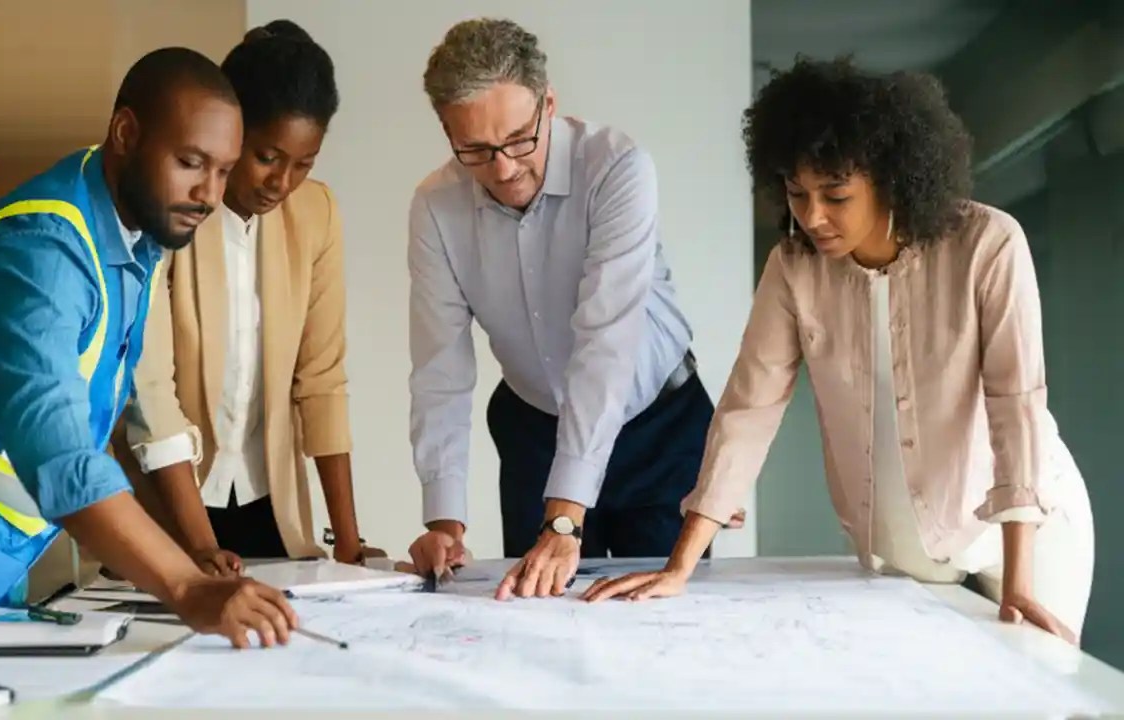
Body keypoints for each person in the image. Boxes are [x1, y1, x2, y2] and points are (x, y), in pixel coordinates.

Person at [583, 57, 1095, 645]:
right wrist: (680, 566)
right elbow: (750, 407)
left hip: (1028, 537)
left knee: (1037, 694)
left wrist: (1020, 583)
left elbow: (1016, 404)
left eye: (836, 194)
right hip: (904, 544)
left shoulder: (988, 243)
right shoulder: (794, 266)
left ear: (891, 177)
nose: (813, 216)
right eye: (797, 193)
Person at [0, 47, 302, 659]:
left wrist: (188, 557)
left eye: (222, 171)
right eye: (191, 163)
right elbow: (61, 456)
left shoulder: (131, 236)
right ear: (126, 133)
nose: (210, 194)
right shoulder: (41, 255)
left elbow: (121, 404)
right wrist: (185, 585)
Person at [406, 18, 736, 601]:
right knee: (538, 615)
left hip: (656, 425)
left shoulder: (616, 168)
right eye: (476, 150)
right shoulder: (436, 206)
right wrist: (443, 523)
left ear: (548, 104)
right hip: (534, 429)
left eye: (518, 140)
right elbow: (441, 368)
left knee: (659, 620)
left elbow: (605, 344)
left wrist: (564, 520)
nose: (503, 169)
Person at [120, 21, 383, 575]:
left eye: (304, 163)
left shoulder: (317, 214)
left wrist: (351, 545)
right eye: (267, 156)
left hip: (271, 508)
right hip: (171, 504)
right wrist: (201, 551)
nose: (282, 182)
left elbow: (321, 379)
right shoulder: (173, 210)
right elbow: (151, 392)